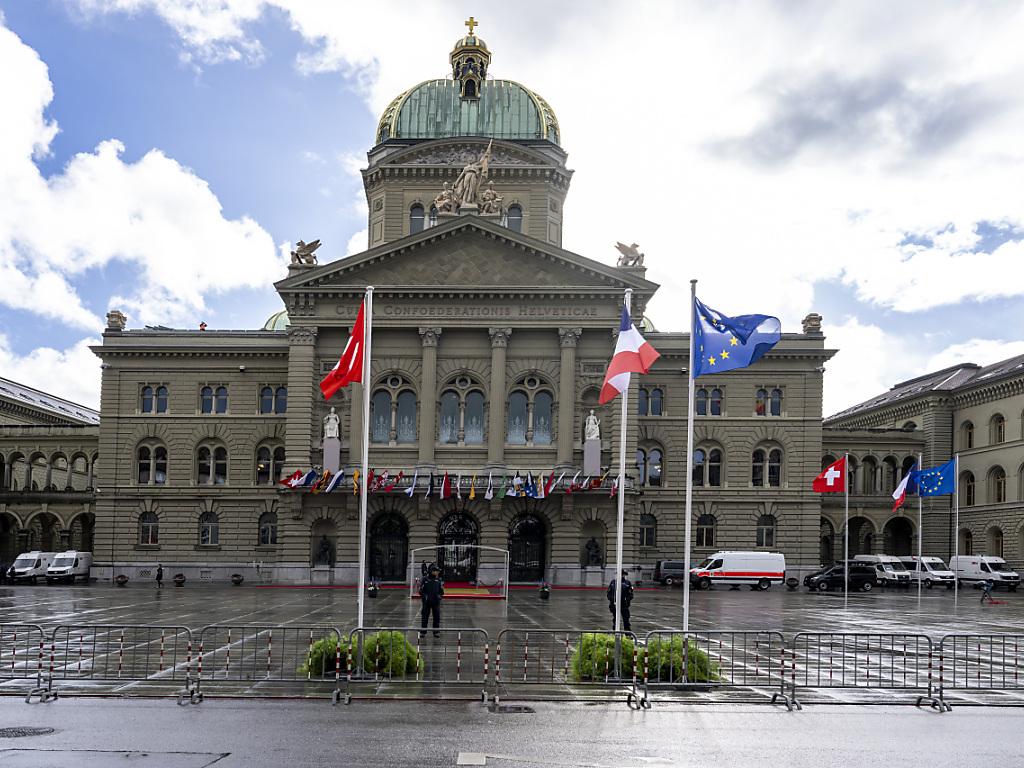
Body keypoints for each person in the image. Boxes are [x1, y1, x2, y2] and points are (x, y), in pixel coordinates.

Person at [419, 565, 444, 637]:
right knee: (425, 617)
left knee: (436, 617)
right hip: (426, 602)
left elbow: (441, 591)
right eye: (436, 571)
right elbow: (421, 591)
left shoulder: (438, 580)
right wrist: (425, 597)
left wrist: (439, 596)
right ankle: (423, 632)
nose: (437, 572)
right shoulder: (425, 579)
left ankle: (436, 632)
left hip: (436, 602)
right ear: (431, 571)